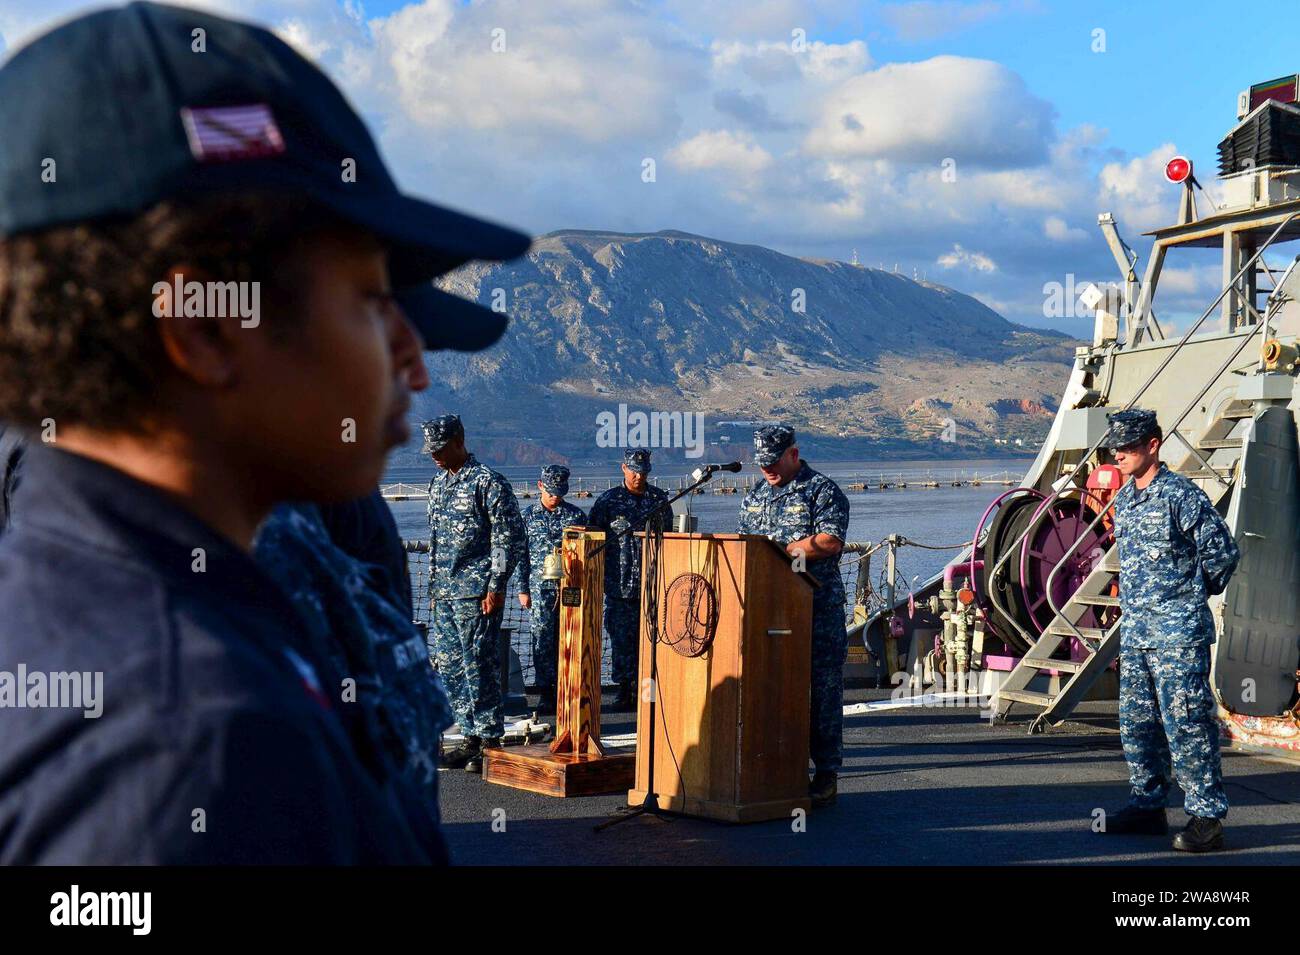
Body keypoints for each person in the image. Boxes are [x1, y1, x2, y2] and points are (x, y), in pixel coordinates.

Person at [0, 2, 528, 863]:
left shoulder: (110, 608)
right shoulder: (195, 750)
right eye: (367, 298)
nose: (414, 363)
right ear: (206, 326)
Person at [1098, 408, 1240, 852]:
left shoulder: (1181, 495)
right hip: (1139, 633)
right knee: (1137, 725)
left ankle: (1206, 819)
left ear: (1153, 445)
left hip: (1178, 635)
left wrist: (1190, 596)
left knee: (1188, 724)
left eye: (1127, 445)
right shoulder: (1125, 501)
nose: (1118, 453)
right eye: (1114, 446)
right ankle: (1148, 805)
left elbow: (1223, 554)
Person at [736, 426, 850, 808]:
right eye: (761, 463)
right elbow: (743, 547)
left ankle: (826, 774)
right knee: (772, 688)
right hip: (769, 611)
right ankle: (777, 768)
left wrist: (786, 550)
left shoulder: (822, 491)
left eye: (773, 461)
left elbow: (831, 540)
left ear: (793, 454)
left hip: (817, 610)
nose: (767, 469)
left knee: (821, 690)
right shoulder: (754, 496)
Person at [424, 414, 526, 773]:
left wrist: (496, 587)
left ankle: (488, 739)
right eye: (430, 450)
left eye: (439, 448)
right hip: (446, 593)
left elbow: (506, 539)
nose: (434, 456)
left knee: (479, 664)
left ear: (458, 441)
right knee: (451, 666)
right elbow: (436, 540)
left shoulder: (488, 484)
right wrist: (435, 590)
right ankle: (468, 734)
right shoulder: (439, 484)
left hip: (476, 592)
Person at [588, 448, 669, 710]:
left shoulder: (659, 499)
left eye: (643, 472)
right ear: (624, 468)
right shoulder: (608, 502)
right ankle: (625, 691)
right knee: (621, 641)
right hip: (619, 586)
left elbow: (669, 537)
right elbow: (593, 540)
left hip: (652, 585)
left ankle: (650, 692)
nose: (638, 477)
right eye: (634, 471)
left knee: (652, 640)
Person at [517, 465, 588, 710]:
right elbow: (521, 555)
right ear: (540, 486)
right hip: (539, 589)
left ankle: (570, 688)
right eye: (551, 492)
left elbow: (586, 552)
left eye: (559, 492)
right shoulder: (526, 517)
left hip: (570, 587)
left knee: (571, 637)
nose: (555, 497)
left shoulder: (575, 517)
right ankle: (546, 691)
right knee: (542, 640)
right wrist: (522, 589)